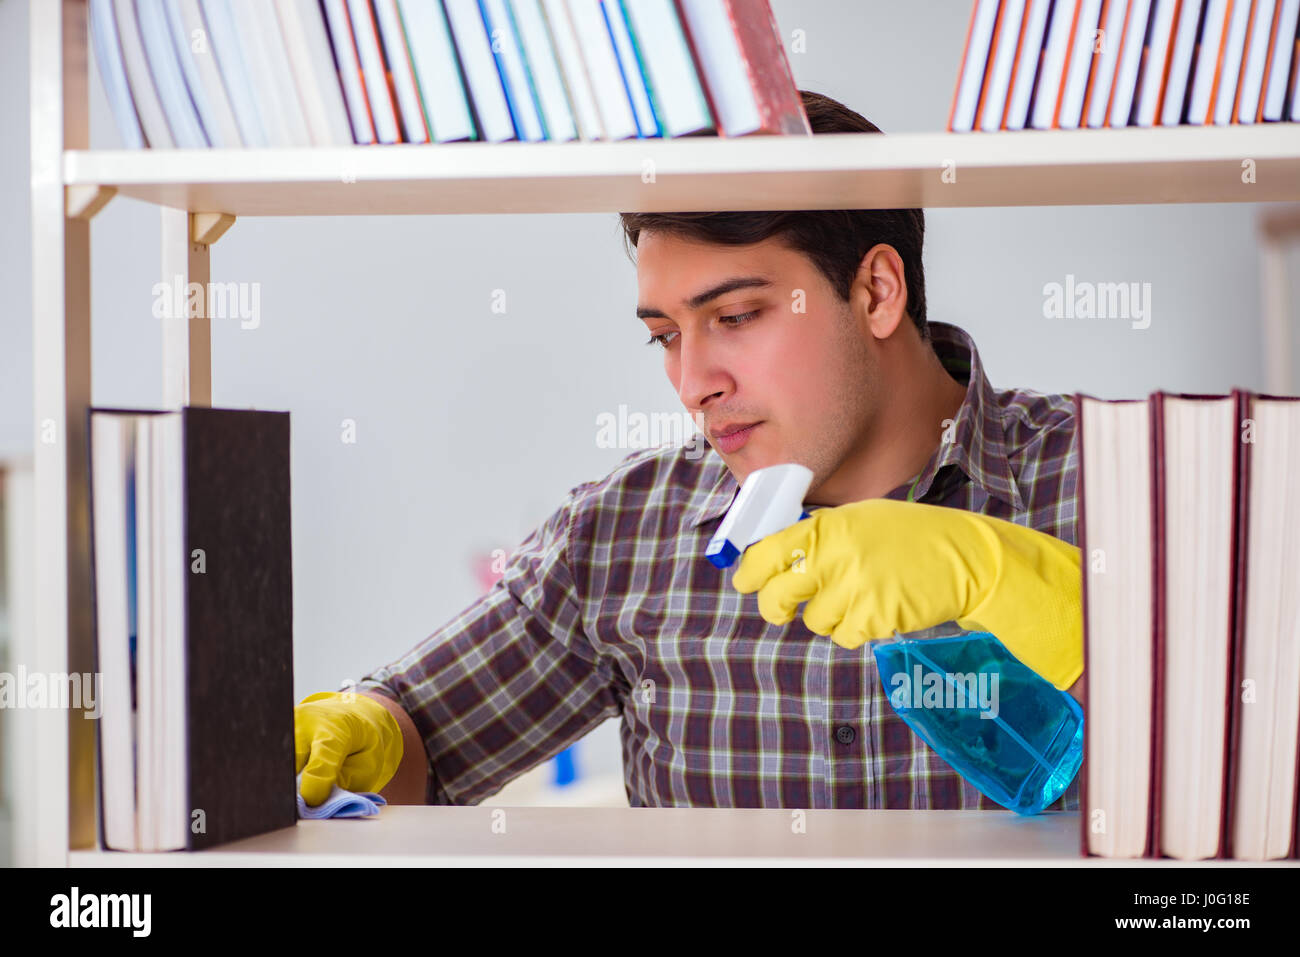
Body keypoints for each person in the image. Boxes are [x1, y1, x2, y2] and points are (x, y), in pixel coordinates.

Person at [295, 90, 1085, 811]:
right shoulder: (622, 534)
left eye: (736, 315)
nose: (692, 382)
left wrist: (1014, 581)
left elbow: (1203, 775)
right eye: (666, 337)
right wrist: (371, 731)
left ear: (877, 291)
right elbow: (425, 746)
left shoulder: (1105, 477)